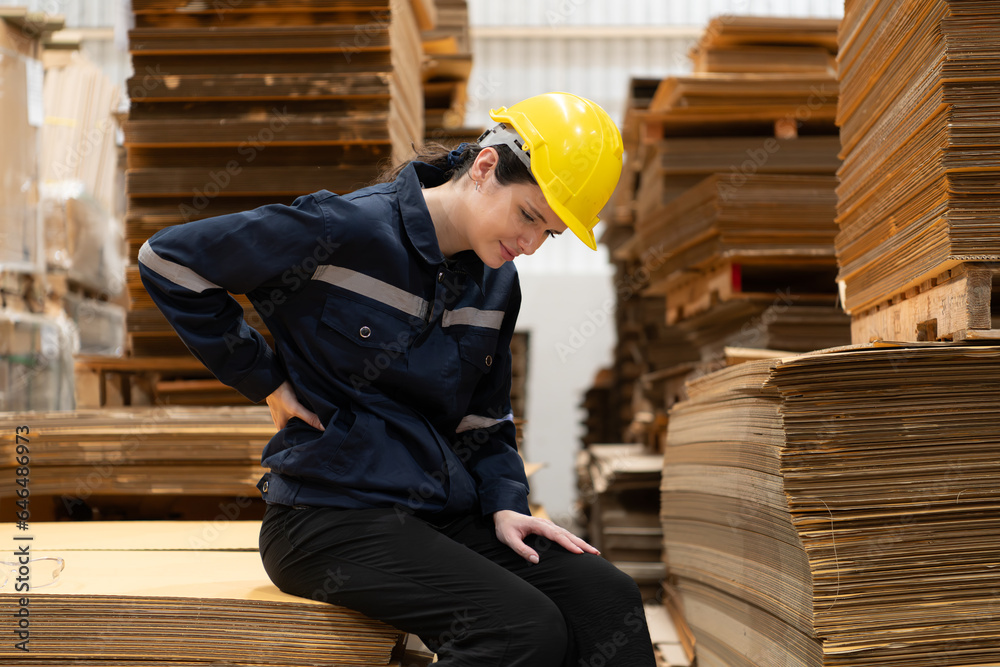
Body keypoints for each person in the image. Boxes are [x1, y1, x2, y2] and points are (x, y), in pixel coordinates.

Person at [138, 91, 657, 666]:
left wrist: (508, 501)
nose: (530, 245)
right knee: (520, 631)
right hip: (328, 517)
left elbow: (486, 415)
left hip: (436, 514)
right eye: (529, 216)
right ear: (486, 169)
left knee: (607, 598)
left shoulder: (495, 283)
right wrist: (263, 378)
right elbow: (168, 260)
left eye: (550, 234)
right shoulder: (342, 229)